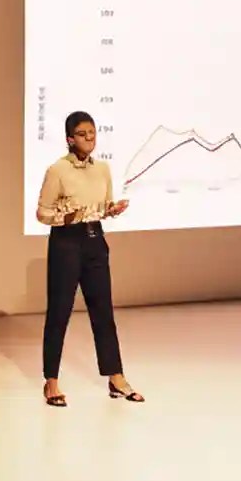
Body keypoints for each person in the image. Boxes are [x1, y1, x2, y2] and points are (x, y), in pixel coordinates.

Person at [35, 110, 143, 407]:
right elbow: (42, 213)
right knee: (60, 312)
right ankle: (51, 381)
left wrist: (112, 209)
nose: (90, 138)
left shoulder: (103, 169)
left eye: (93, 133)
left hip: (96, 241)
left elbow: (101, 206)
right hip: (66, 243)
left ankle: (115, 377)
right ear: (70, 139)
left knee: (103, 312)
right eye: (83, 134)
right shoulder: (57, 171)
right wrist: (67, 216)